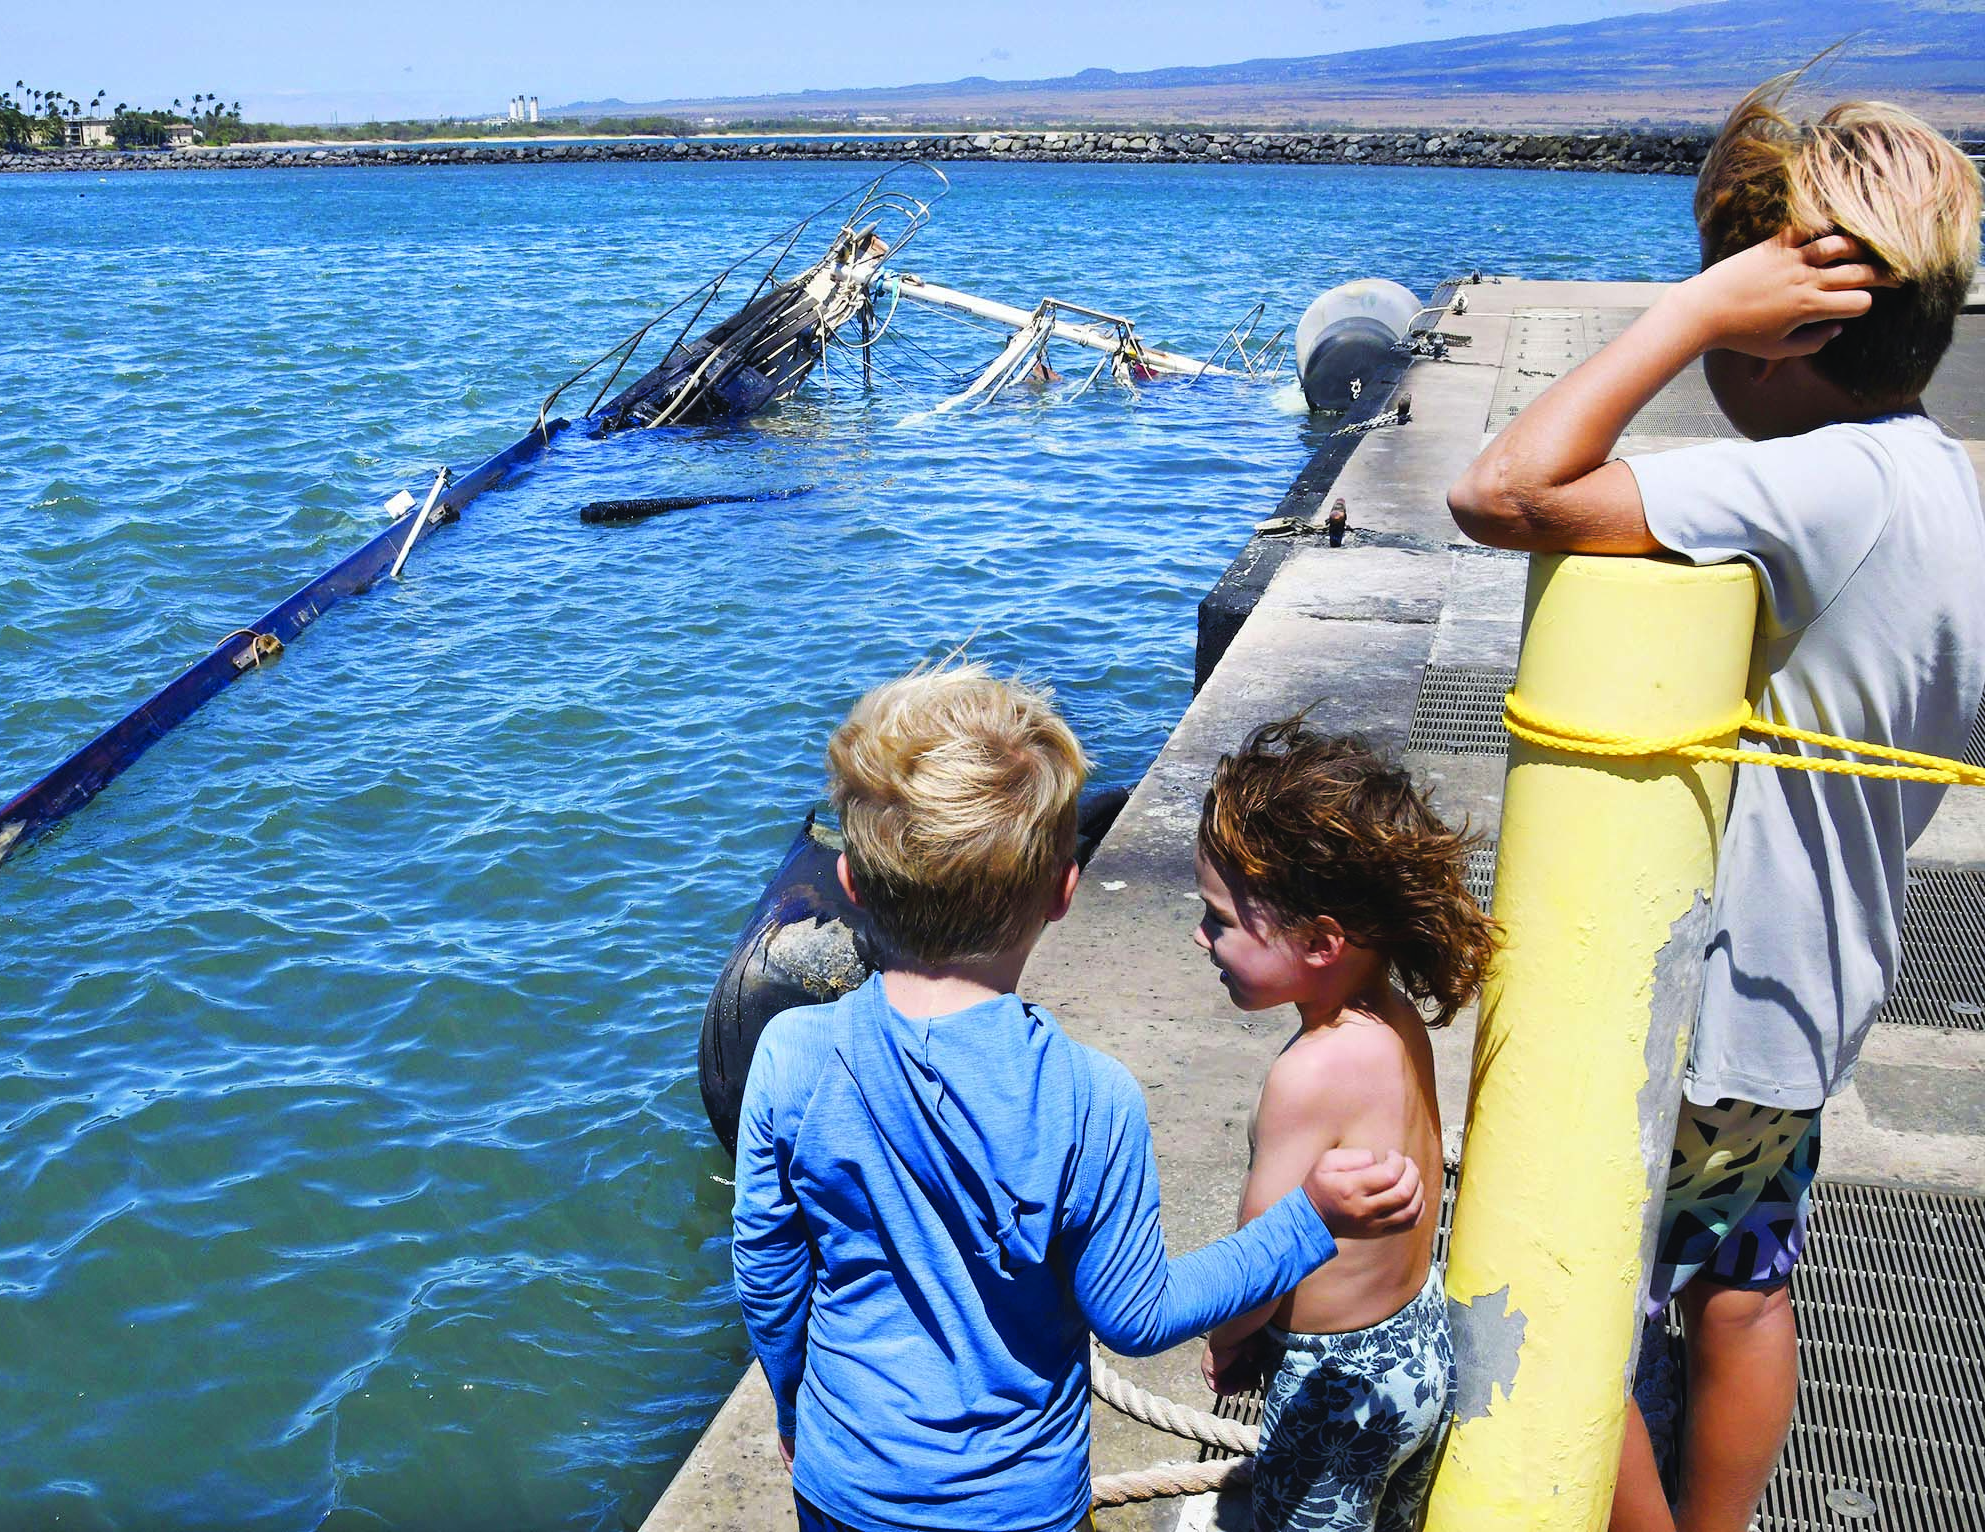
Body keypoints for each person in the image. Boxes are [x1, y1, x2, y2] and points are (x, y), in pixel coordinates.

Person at [1445, 69, 1985, 1532]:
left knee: (1585, 1282)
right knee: (1745, 1287)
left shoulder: (1822, 484)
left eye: (1728, 302)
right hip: (1816, 988)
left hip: (1708, 997)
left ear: (1787, 324)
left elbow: (1503, 489)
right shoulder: (1937, 479)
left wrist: (1678, 318)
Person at [732, 662, 1431, 1532]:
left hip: (846, 1486)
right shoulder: (1089, 1099)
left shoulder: (793, 1055)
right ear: (1065, 891)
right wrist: (1309, 1221)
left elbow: (768, 1275)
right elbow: (1139, 1316)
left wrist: (801, 1409)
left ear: (852, 886)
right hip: (1020, 1503)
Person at [1194, 721, 1496, 1532]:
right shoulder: (1397, 1020)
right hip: (1417, 1342)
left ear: (1322, 940)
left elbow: (1265, 1245)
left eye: (1219, 919)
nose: (1201, 938)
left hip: (1335, 1385)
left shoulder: (1309, 1070)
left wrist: (1228, 1340)